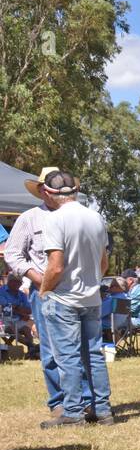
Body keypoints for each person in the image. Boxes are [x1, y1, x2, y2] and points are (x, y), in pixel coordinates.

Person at [3, 166, 89, 418]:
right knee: (51, 350)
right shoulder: (29, 218)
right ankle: (59, 402)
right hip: (45, 293)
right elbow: (12, 254)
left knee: (81, 347)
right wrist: (34, 275)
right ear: (42, 190)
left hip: (77, 290)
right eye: (52, 187)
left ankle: (82, 400)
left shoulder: (80, 216)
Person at [35, 170, 113, 428]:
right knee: (94, 354)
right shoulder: (96, 218)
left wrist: (44, 290)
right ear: (75, 191)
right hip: (92, 299)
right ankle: (103, 411)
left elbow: (55, 266)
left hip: (64, 299)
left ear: (49, 192)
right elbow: (104, 263)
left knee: (67, 357)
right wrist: (89, 282)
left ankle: (73, 413)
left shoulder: (54, 220)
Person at [0, 271, 37, 358]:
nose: (19, 284)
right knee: (11, 329)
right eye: (17, 282)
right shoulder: (1, 291)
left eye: (20, 282)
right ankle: (33, 346)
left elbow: (28, 310)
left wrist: (16, 308)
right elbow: (6, 306)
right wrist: (20, 310)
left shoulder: (22, 295)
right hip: (3, 320)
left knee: (27, 329)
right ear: (10, 281)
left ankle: (31, 353)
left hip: (17, 319)